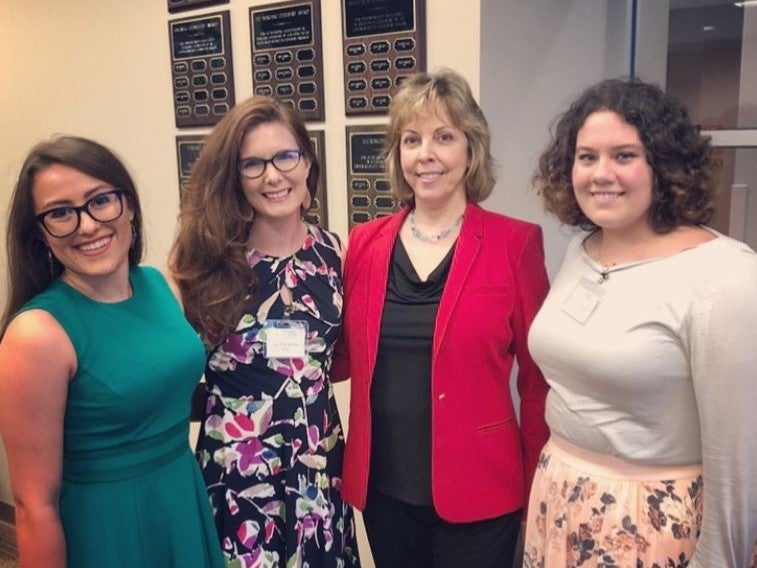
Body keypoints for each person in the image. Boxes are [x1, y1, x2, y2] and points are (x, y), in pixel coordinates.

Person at [524, 78, 757, 568]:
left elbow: (739, 458)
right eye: (587, 157)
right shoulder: (581, 251)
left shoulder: (724, 274)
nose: (600, 174)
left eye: (624, 155)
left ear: (663, 165)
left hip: (649, 523)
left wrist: (720, 559)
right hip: (560, 502)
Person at [331, 68, 551, 567]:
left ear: (470, 150)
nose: (425, 154)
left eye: (444, 137)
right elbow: (337, 356)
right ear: (398, 154)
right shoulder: (364, 244)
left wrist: (538, 485)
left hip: (481, 493)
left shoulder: (513, 244)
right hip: (385, 491)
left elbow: (540, 383)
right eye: (412, 139)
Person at [0, 136, 224, 567]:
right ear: (41, 234)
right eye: (60, 213)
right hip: (108, 528)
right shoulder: (37, 334)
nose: (86, 225)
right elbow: (34, 505)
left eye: (100, 201)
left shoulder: (161, 285)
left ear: (129, 206)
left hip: (181, 497)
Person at [170, 96, 360, 567]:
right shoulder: (200, 267)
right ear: (233, 177)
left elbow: (337, 361)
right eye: (252, 164)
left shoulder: (339, 254)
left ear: (307, 161)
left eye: (285, 157)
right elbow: (163, 367)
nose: (273, 176)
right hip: (238, 478)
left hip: (318, 470)